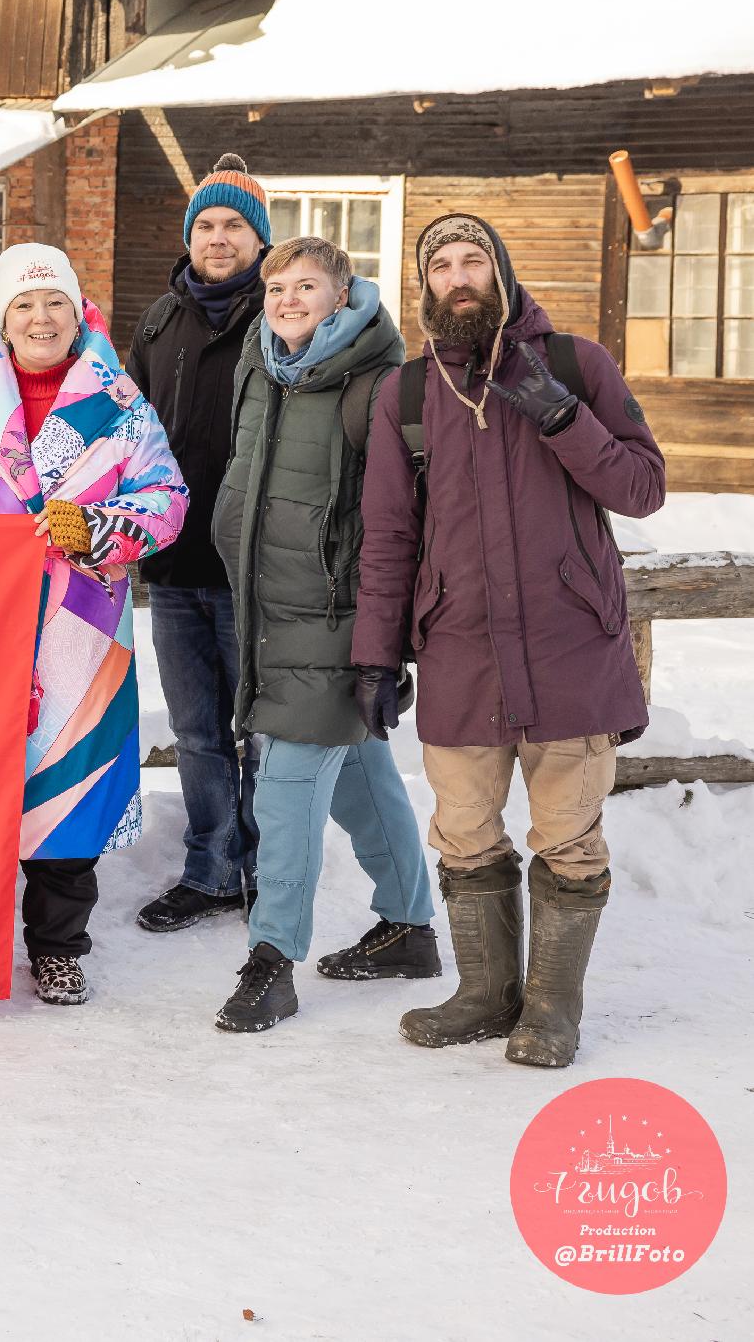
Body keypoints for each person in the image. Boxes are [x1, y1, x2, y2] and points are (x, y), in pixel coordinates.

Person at [355, 213, 664, 1069]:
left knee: (568, 833)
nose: (459, 277)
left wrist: (562, 416)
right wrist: (377, 654)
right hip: (460, 650)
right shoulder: (408, 395)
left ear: (502, 272)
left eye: (474, 261)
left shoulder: (575, 365)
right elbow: (387, 536)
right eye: (442, 264)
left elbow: (642, 489)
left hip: (570, 645)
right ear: (425, 284)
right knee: (463, 831)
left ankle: (551, 1010)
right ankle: (486, 995)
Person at [0, 243, 187, 1006]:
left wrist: (97, 526)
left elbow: (168, 502)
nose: (40, 317)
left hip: (79, 628)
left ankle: (57, 946)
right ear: (4, 318)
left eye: (54, 302)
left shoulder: (123, 409)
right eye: (24, 304)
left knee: (66, 781)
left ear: (79, 312)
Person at [208, 236, 437, 1033]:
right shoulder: (261, 368)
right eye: (277, 288)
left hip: (338, 620)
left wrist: (384, 645)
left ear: (342, 297)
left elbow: (395, 527)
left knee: (288, 789)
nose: (289, 300)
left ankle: (272, 961)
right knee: (362, 775)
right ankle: (409, 926)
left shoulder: (376, 385)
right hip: (269, 612)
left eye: (307, 287)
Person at [122, 154, 272, 934]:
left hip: (257, 566)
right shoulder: (157, 322)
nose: (218, 238)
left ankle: (270, 870)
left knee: (262, 728)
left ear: (259, 239)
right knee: (196, 731)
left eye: (234, 226)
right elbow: (127, 434)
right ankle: (212, 869)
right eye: (207, 225)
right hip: (176, 564)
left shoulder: (283, 315)